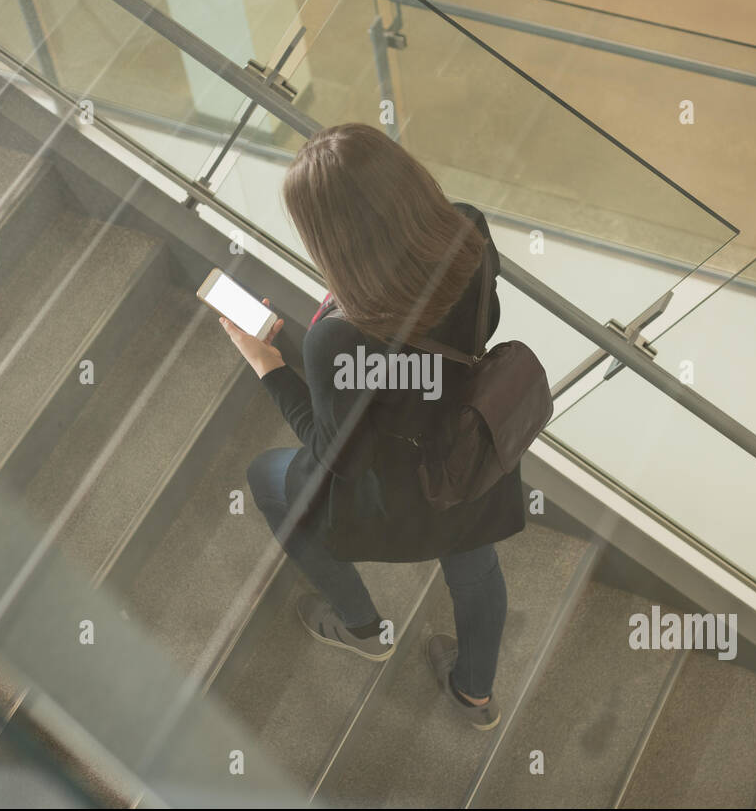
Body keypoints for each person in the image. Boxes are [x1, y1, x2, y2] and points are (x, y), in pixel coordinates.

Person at [219, 123, 526, 730]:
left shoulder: (337, 336)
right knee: (474, 561)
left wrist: (269, 366)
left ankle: (361, 627)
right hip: (470, 447)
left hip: (396, 489)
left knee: (267, 476)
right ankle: (474, 694)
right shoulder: (468, 229)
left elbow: (338, 455)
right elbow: (483, 317)